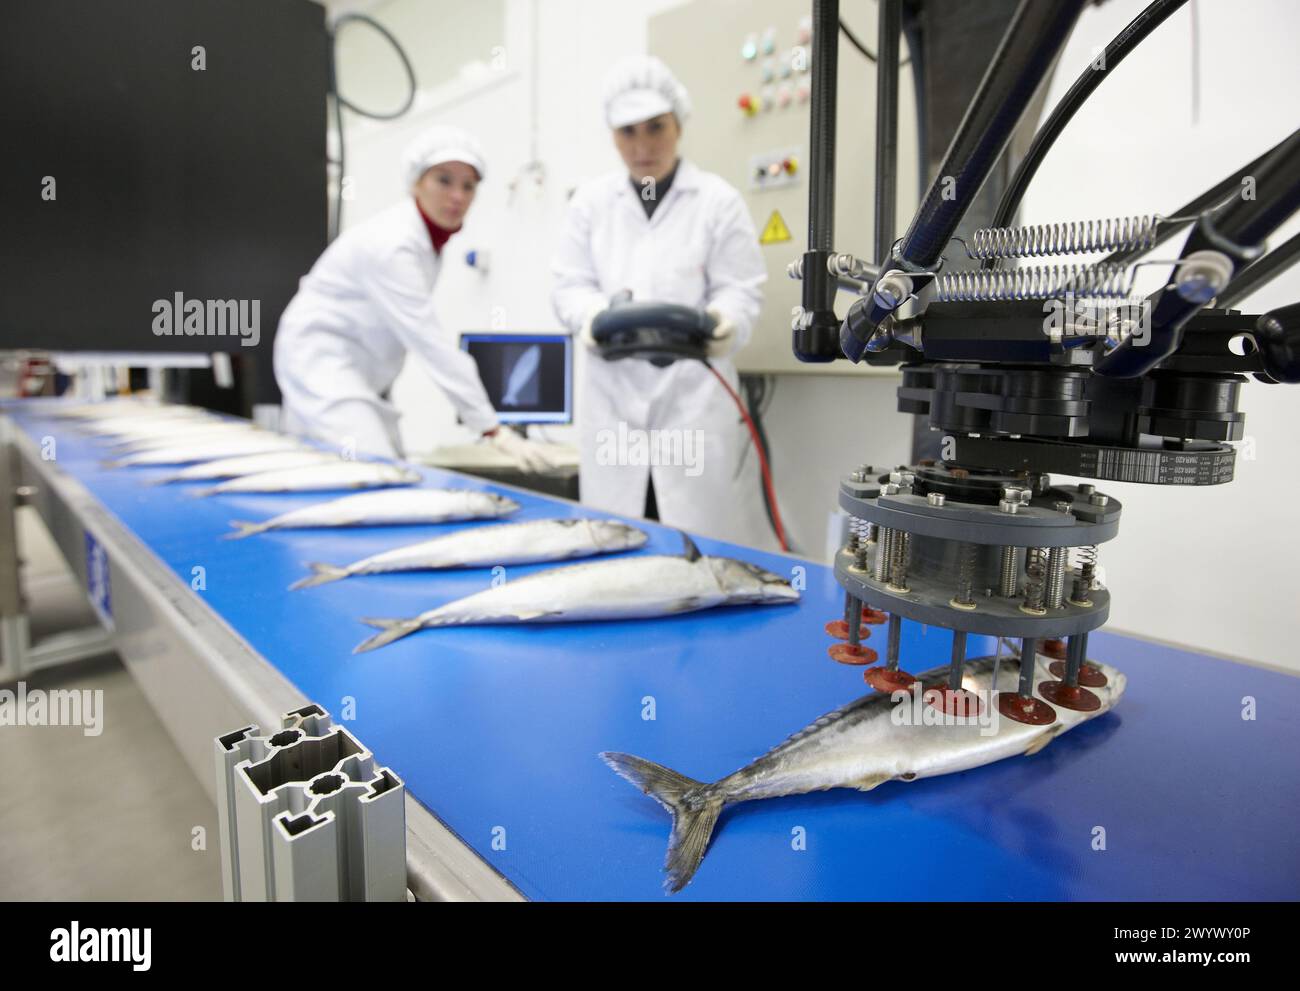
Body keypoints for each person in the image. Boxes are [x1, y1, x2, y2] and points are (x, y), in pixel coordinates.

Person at [551, 56, 769, 545]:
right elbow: (569, 285)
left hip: (693, 399)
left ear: (679, 123)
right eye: (628, 132)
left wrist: (724, 323)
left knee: (697, 544)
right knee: (615, 540)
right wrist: (590, 319)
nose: (643, 145)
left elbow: (741, 288)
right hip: (614, 399)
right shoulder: (590, 203)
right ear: (612, 135)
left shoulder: (717, 201)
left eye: (655, 127)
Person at [275, 125, 552, 470]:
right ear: (416, 182)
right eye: (444, 180)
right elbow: (429, 342)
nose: (458, 196)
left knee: (323, 471)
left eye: (469, 186)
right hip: (321, 363)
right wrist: (494, 430)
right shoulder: (393, 245)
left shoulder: (428, 245)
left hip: (356, 373)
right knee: (375, 474)